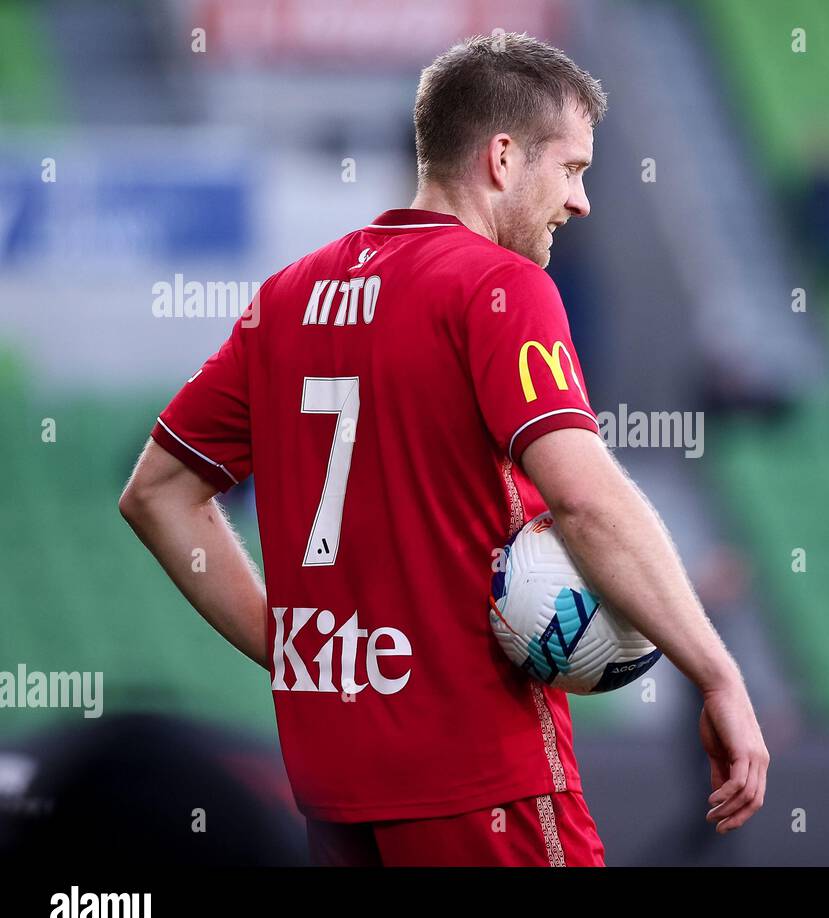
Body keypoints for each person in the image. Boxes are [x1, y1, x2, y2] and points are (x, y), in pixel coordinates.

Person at [118, 33, 768, 867]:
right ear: (502, 157)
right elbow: (583, 500)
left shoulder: (286, 298)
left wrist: (289, 644)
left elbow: (157, 493)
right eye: (571, 169)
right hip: (478, 777)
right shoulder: (500, 286)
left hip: (335, 777)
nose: (582, 202)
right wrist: (717, 674)